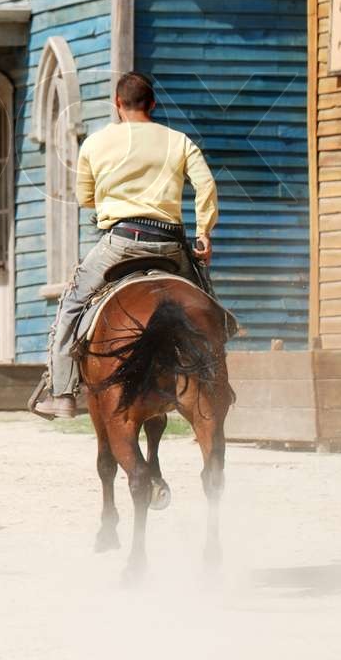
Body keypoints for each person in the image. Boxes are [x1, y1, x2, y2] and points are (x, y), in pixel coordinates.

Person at [31, 72, 218, 419]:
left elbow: (85, 197)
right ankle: (215, 382)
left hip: (121, 242)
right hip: (171, 244)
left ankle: (62, 392)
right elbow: (205, 186)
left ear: (118, 104)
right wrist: (204, 232)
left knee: (71, 303)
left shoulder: (95, 143)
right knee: (206, 304)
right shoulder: (179, 141)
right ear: (152, 104)